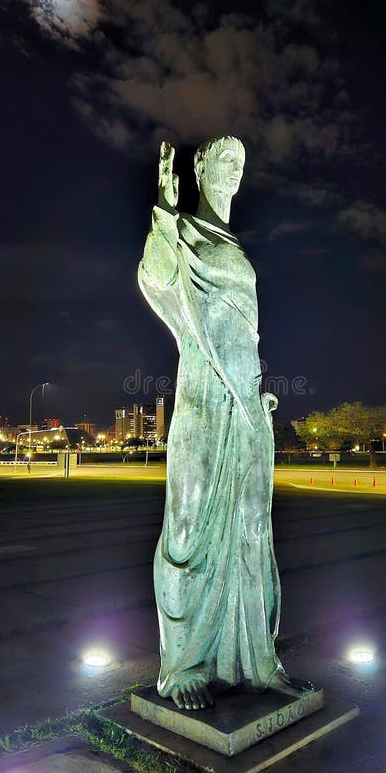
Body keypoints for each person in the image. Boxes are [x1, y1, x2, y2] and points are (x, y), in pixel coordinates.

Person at [138, 137, 312, 711]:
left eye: (241, 162)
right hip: (201, 397)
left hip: (247, 408)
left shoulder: (235, 246)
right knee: (187, 526)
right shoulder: (184, 233)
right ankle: (183, 665)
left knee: (251, 530)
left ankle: (255, 659)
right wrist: (164, 213)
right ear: (199, 166)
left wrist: (258, 397)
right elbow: (156, 278)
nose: (235, 171)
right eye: (225, 160)